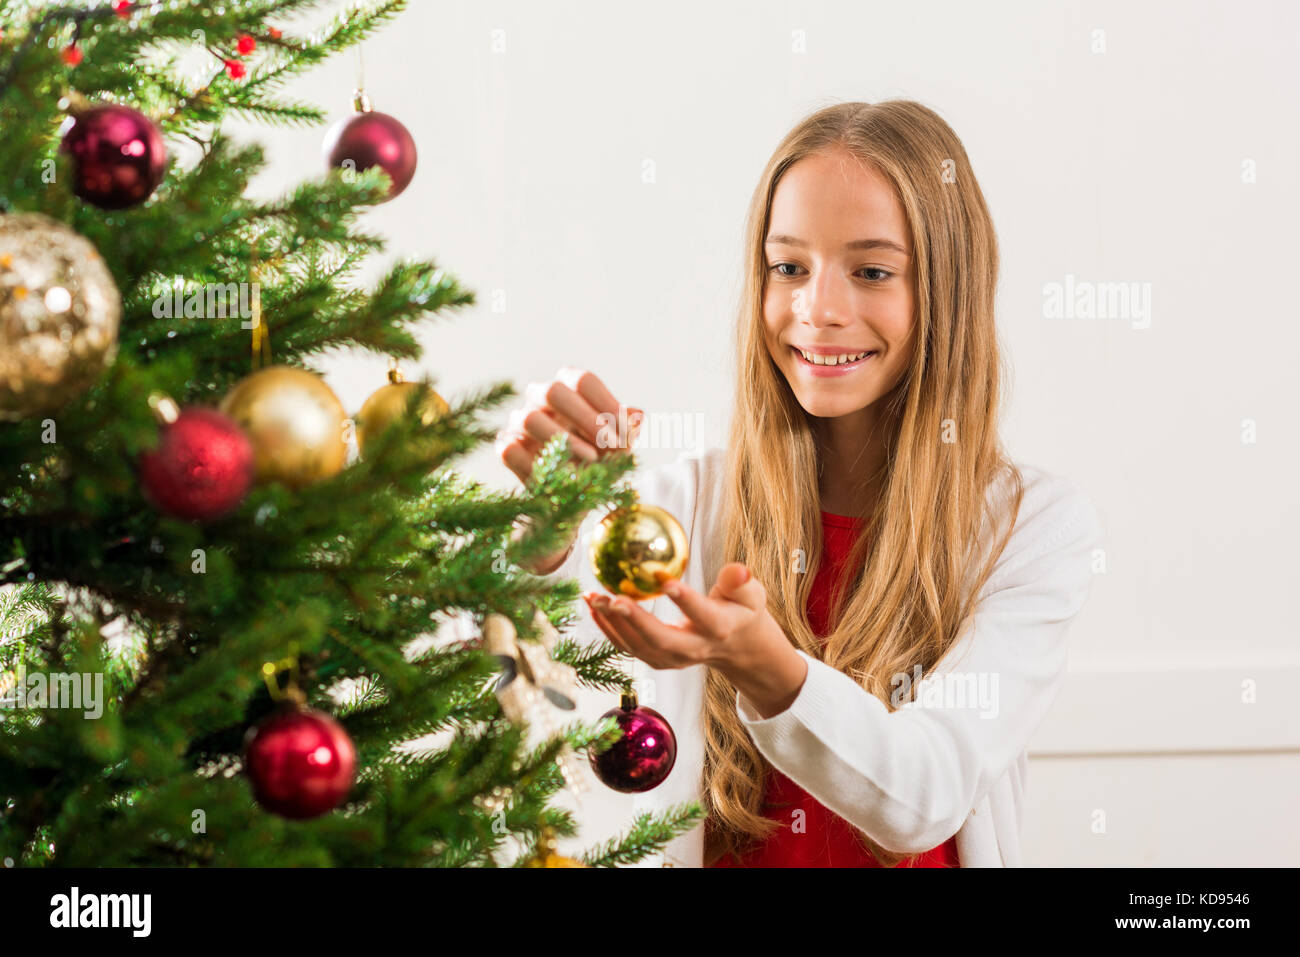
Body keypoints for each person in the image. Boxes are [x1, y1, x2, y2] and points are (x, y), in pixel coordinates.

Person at [496, 100, 1103, 867]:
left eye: (872, 271)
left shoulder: (1030, 527)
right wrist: (545, 533)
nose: (817, 309)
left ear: (946, 295)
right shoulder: (688, 507)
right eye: (789, 267)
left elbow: (926, 793)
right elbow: (533, 676)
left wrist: (771, 671)